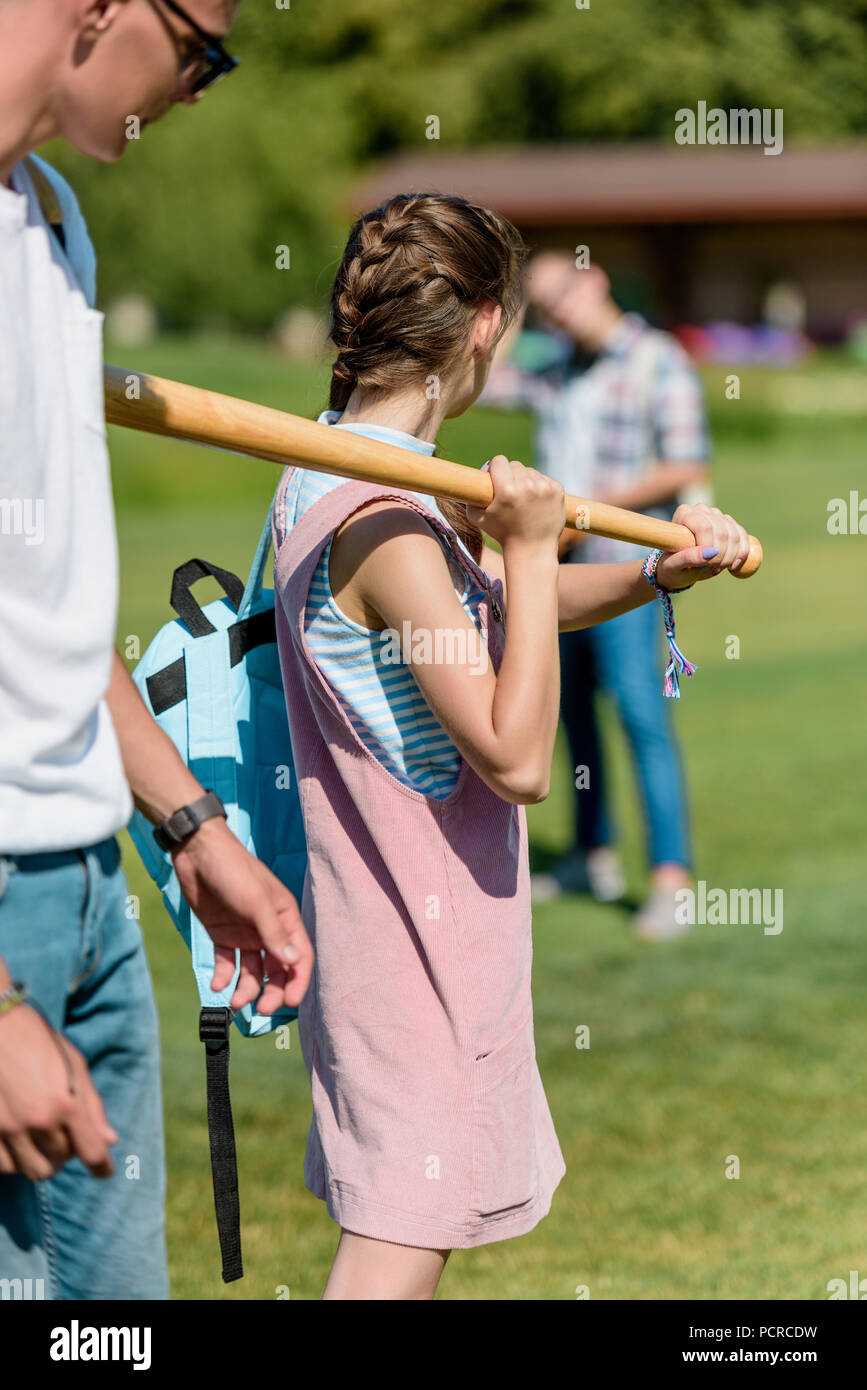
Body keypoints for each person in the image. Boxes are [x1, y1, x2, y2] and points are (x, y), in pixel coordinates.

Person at [270, 192, 750, 1299]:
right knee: (393, 1250)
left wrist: (646, 575)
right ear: (485, 325)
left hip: (406, 942)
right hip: (407, 952)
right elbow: (518, 752)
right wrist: (532, 551)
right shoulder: (384, 519)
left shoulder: (346, 473)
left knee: (407, 1244)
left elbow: (482, 608)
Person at [0, 0, 313, 1301]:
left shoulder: (54, 221)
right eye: (206, 49)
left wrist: (194, 832)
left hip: (87, 895)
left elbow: (45, 606)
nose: (204, 88)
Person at [484, 251, 715, 940]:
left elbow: (685, 462)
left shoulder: (656, 360)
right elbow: (487, 378)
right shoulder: (554, 366)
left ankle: (671, 878)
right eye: (543, 302)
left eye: (564, 292)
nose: (558, 309)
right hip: (553, 574)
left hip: (624, 570)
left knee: (640, 716)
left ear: (597, 280)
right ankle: (593, 855)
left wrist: (583, 508)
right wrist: (515, 304)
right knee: (571, 717)